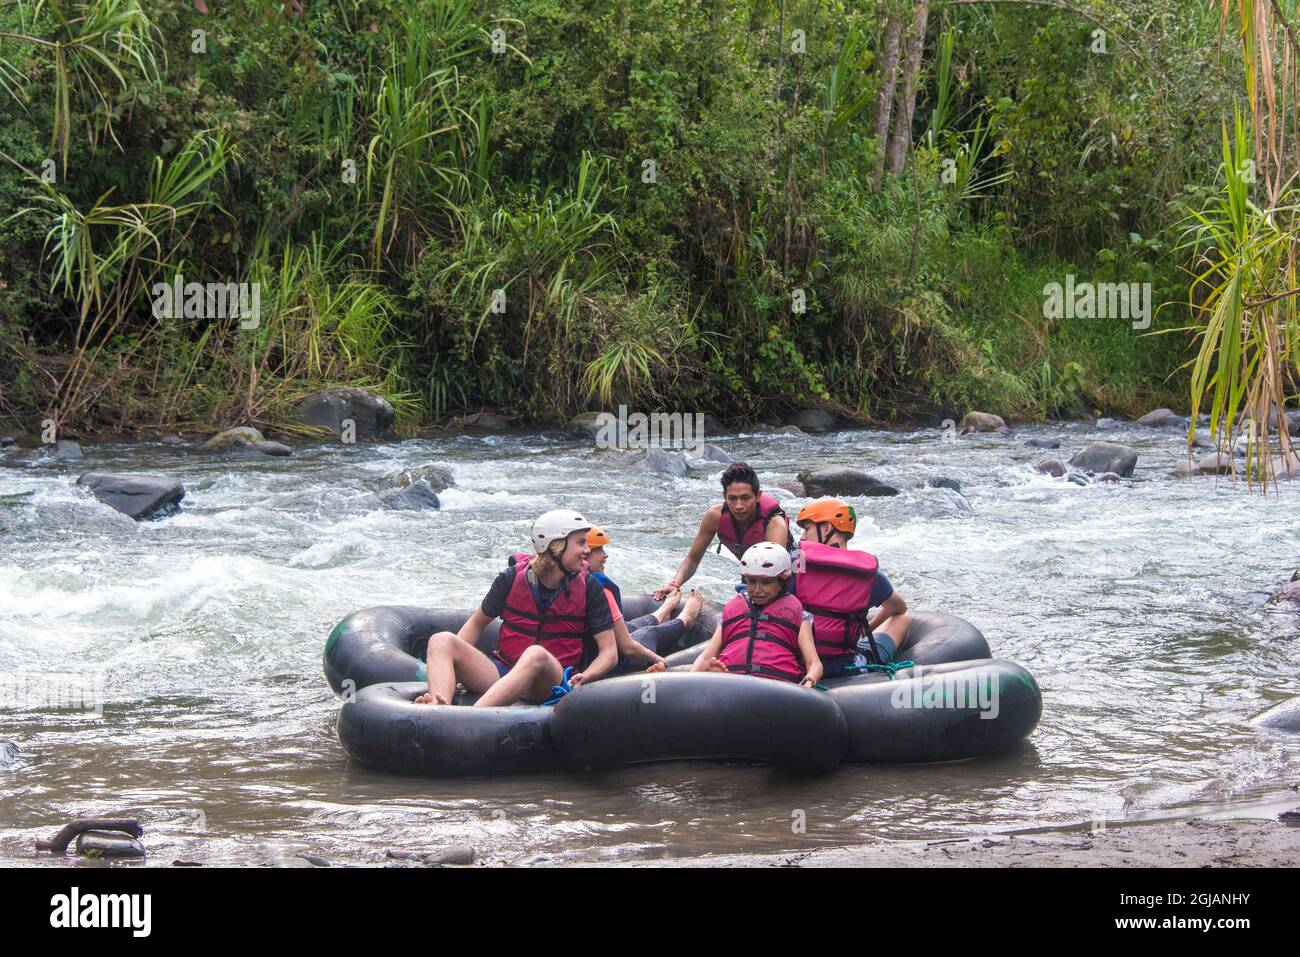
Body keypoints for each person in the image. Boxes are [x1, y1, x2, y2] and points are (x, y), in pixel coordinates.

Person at [414, 510, 618, 707]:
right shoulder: (511, 578)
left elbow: (609, 652)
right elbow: (476, 624)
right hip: (504, 672)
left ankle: (472, 717)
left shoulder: (589, 587)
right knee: (441, 641)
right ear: (556, 546)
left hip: (551, 682)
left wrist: (587, 676)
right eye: (580, 542)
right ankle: (438, 707)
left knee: (535, 654)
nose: (588, 550)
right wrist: (456, 670)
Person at [648, 542, 820, 686]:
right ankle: (715, 677)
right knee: (711, 666)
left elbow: (814, 663)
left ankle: (718, 677)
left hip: (776, 686)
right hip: (733, 684)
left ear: (782, 582)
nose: (757, 589)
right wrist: (691, 683)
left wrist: (809, 682)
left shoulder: (799, 614)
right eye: (751, 582)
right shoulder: (733, 609)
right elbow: (707, 655)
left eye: (766, 583)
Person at [789, 497, 911, 678]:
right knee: (904, 618)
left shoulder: (796, 565)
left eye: (807, 529)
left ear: (827, 528)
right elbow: (899, 609)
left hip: (796, 663)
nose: (803, 537)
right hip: (847, 666)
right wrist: (867, 628)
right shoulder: (867, 574)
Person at [653, 462, 791, 598]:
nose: (738, 506)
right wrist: (675, 584)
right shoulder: (715, 517)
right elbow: (692, 560)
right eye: (732, 498)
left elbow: (774, 573)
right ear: (724, 496)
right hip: (754, 575)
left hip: (788, 572)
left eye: (745, 498)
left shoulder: (774, 523)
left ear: (757, 496)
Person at [586, 525, 705, 664]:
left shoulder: (566, 584)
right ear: (585, 554)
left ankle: (661, 613)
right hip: (606, 662)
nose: (606, 555)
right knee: (646, 634)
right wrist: (665, 664)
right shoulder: (600, 592)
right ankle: (686, 618)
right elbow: (628, 648)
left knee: (627, 627)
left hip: (594, 650)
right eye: (600, 550)